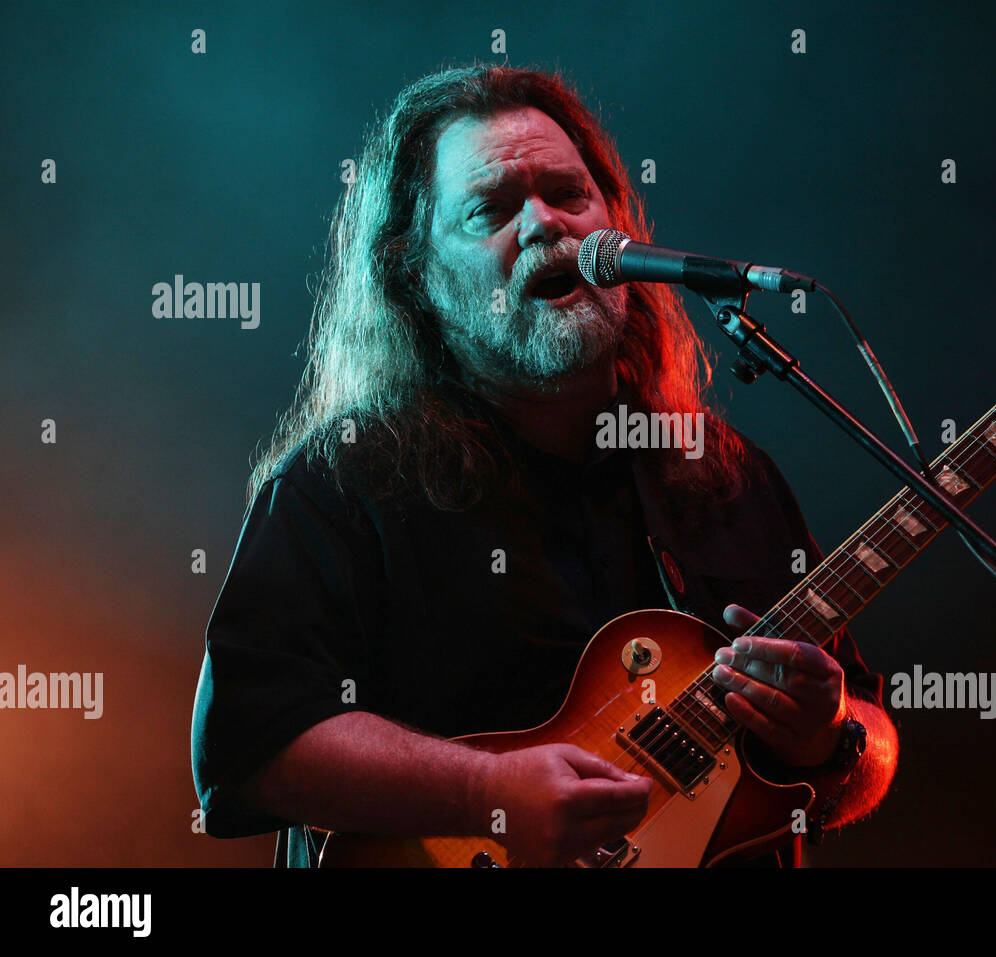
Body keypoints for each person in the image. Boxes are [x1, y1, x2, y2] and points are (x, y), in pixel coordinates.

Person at [190, 64, 898, 868]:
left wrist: (829, 732)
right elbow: (243, 740)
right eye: (491, 208)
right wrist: (481, 791)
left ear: (619, 225)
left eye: (569, 194)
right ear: (415, 276)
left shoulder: (724, 478)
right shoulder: (347, 481)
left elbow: (870, 741)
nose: (543, 224)